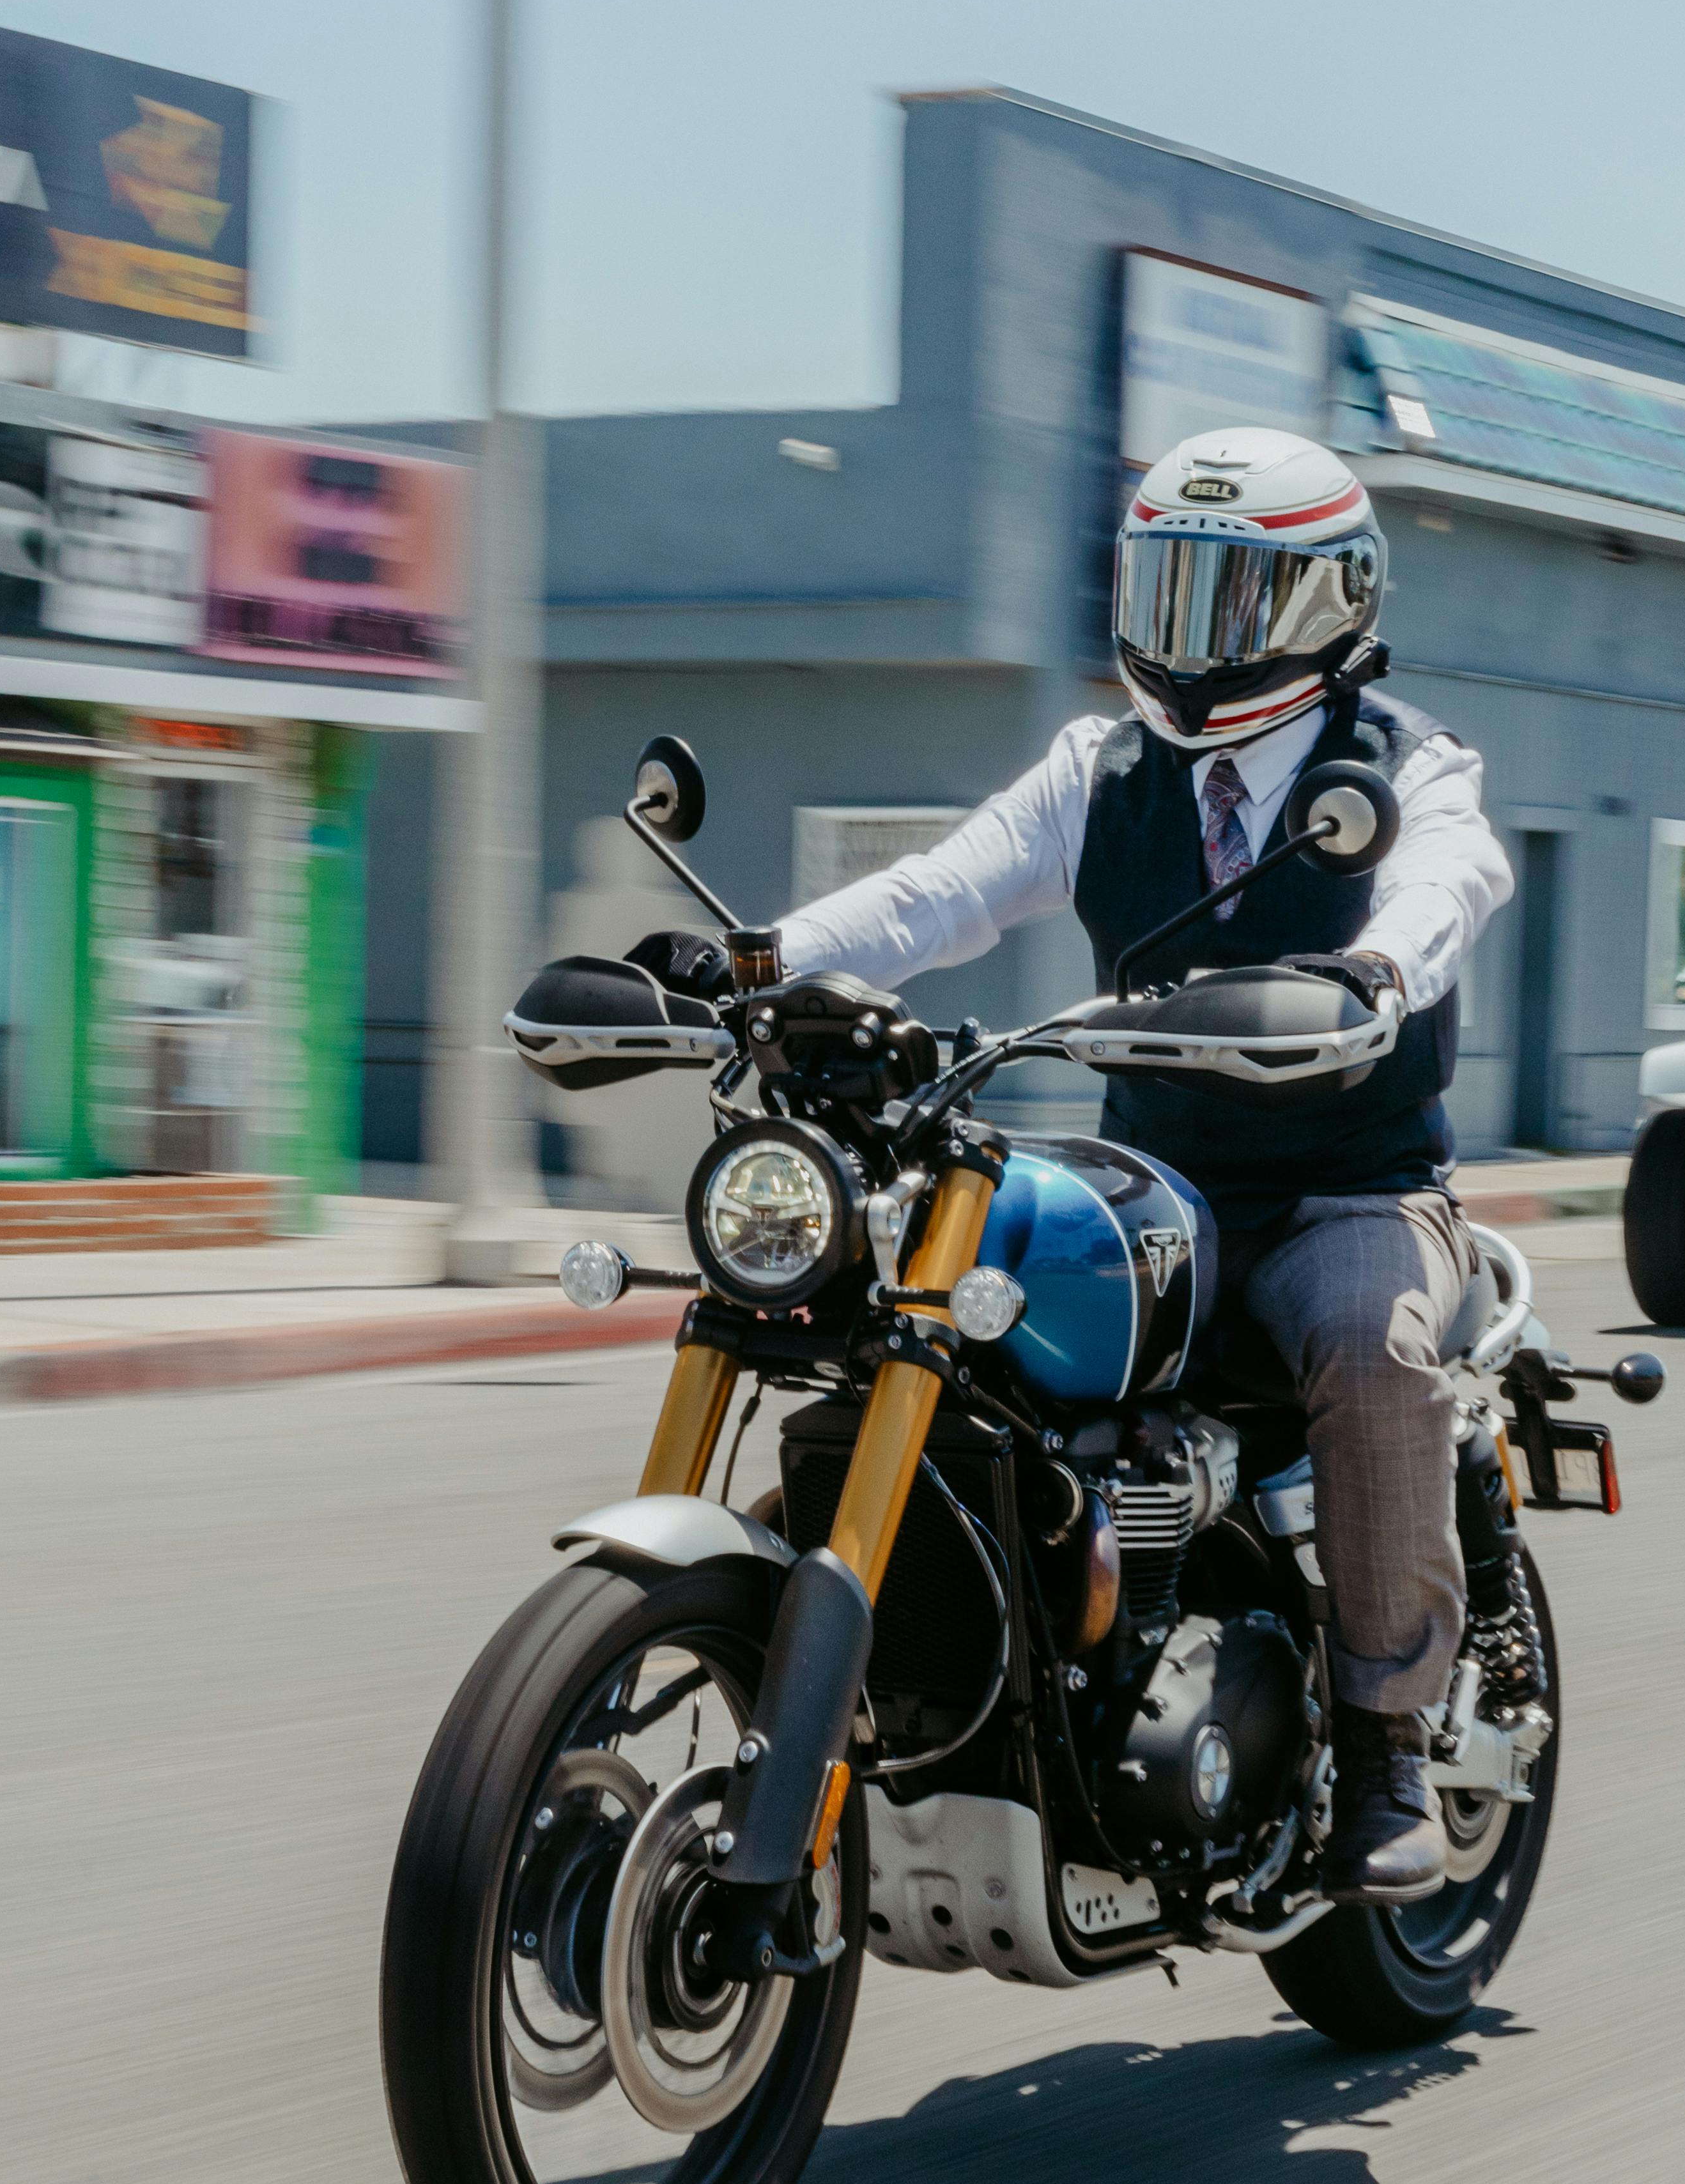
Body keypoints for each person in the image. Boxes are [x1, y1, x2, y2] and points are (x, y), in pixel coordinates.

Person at [635, 428, 1512, 1898]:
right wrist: (758, 961)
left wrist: (1375, 970)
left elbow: (1450, 880)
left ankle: (1385, 1740)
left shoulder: (1404, 763)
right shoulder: (1102, 768)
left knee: (1371, 1346)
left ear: (1334, 601)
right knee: (938, 1314)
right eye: (1169, 588)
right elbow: (941, 893)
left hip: (1347, 1188)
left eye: (1232, 599)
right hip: (1161, 1189)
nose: (1192, 636)